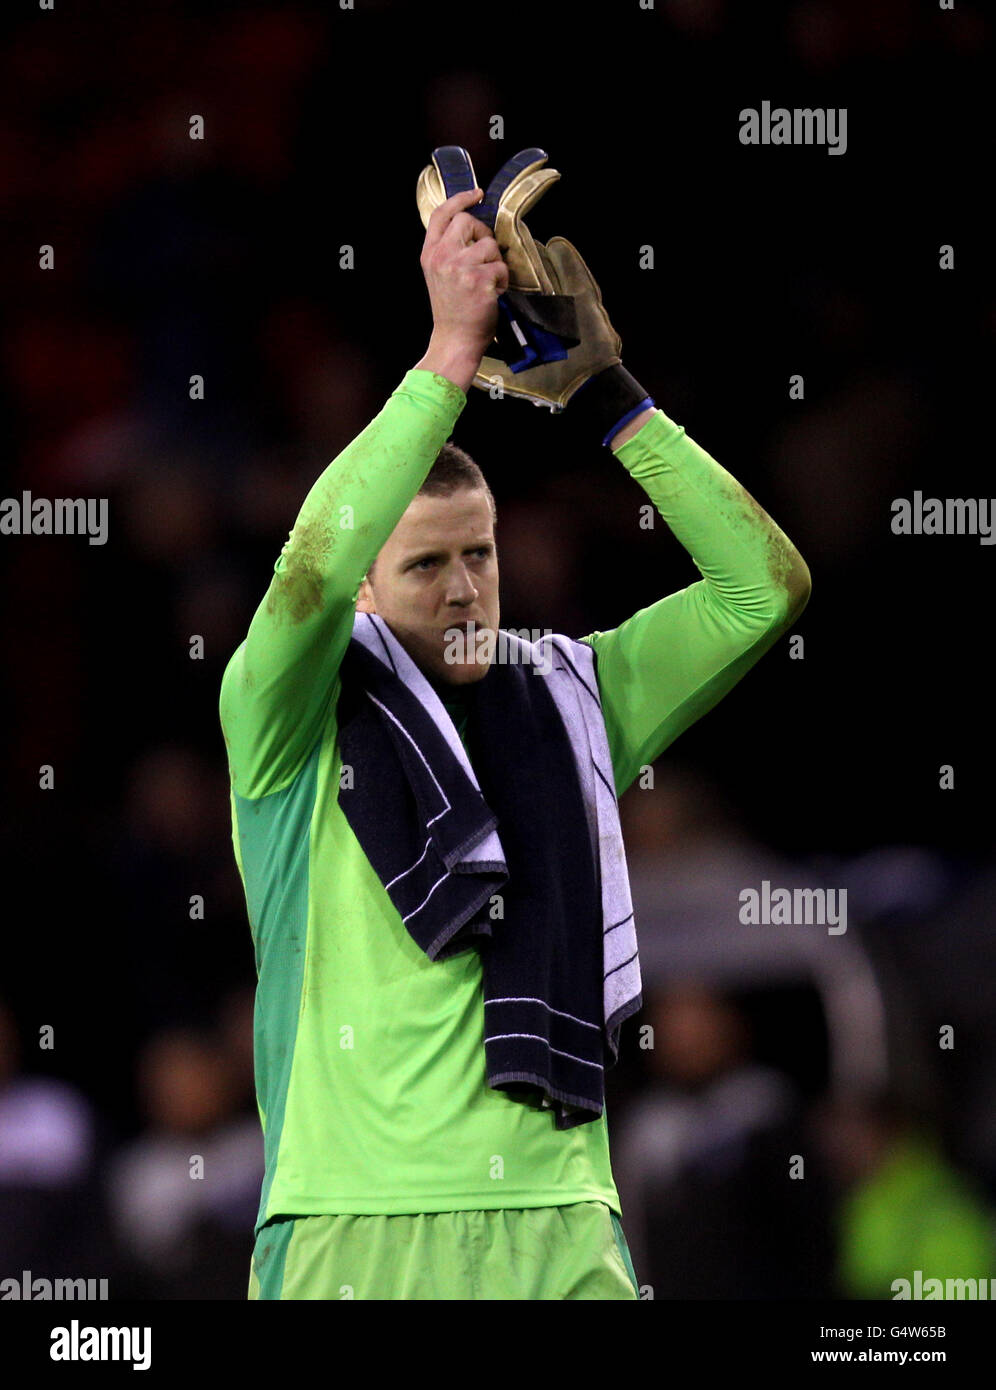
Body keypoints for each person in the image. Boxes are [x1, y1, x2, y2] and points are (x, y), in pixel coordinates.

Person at [219, 184, 812, 1300]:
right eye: (427, 565)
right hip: (351, 1226)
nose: (464, 589)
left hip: (558, 1219)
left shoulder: (576, 696)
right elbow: (309, 558)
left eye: (480, 555)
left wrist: (609, 397)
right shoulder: (288, 721)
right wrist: (449, 353)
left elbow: (762, 590)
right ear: (362, 595)